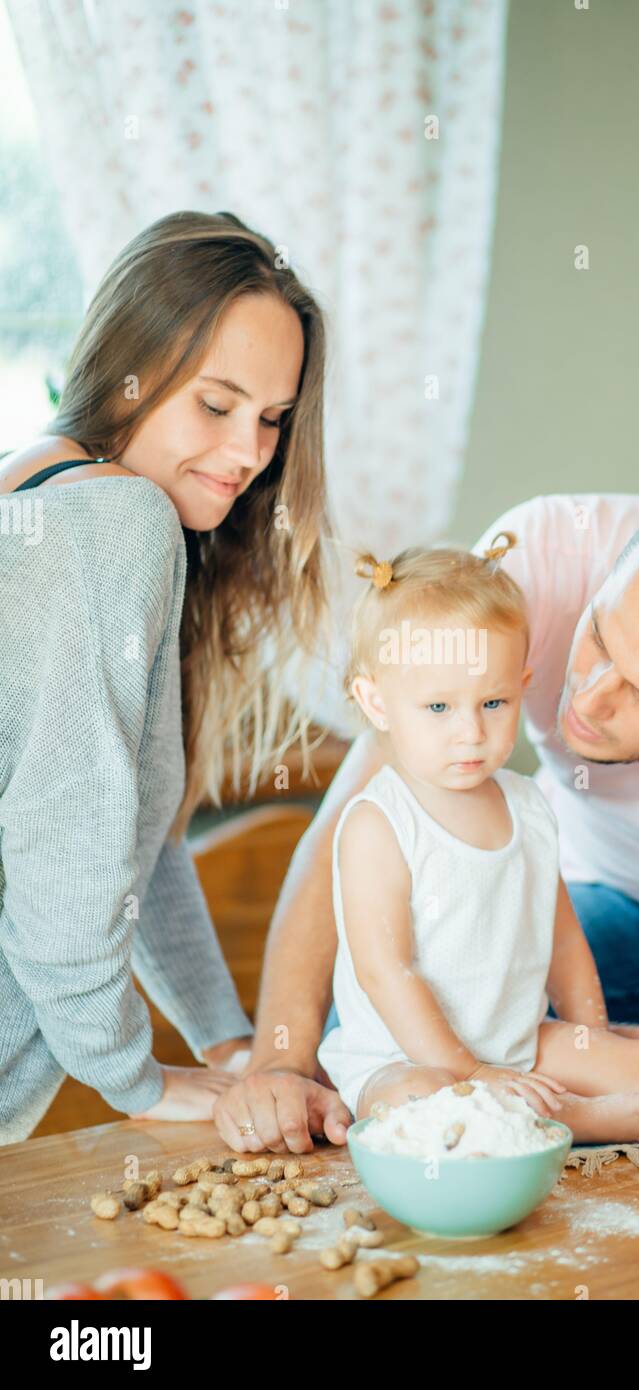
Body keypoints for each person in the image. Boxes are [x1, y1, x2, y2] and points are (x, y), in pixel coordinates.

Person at [214, 481, 639, 1155]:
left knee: (577, 1053)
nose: (589, 697)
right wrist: (280, 1065)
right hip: (592, 888)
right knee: (374, 1059)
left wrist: (585, 1055)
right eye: (600, 638)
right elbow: (346, 849)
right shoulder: (532, 561)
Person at [0, 209, 333, 1143]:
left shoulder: (37, 487)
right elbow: (69, 857)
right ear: (125, 368)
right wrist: (132, 1079)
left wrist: (227, 1045)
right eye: (215, 405)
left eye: (273, 419)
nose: (248, 455)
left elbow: (137, 846)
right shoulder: (118, 523)